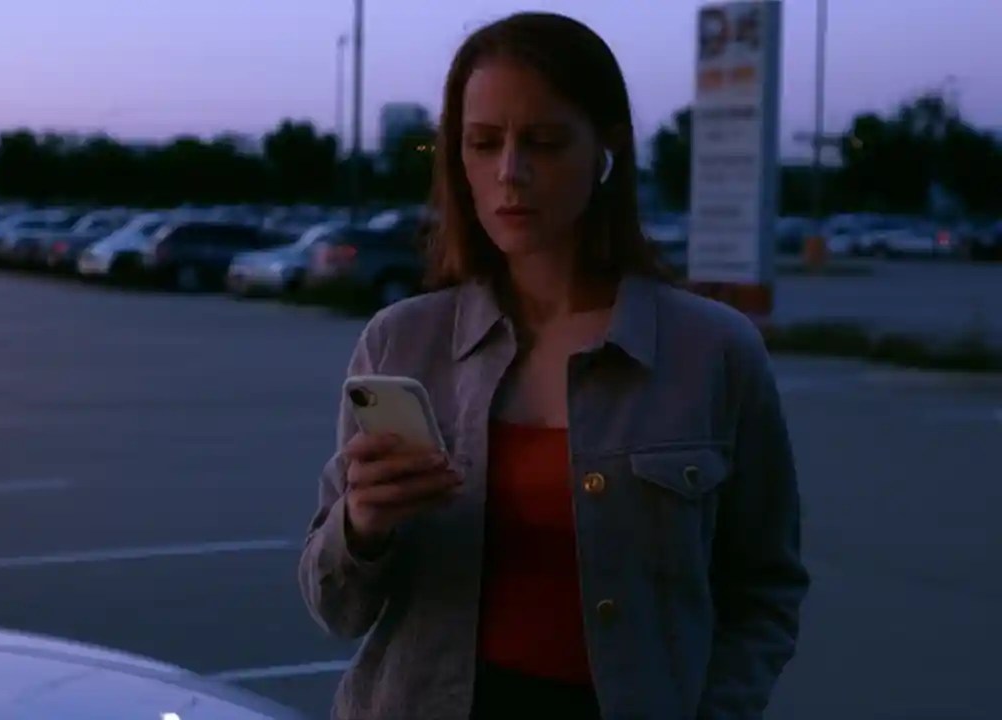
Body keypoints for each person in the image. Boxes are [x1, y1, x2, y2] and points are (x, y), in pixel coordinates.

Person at [298, 11, 809, 720]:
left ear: (608, 151)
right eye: (483, 143)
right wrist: (363, 525)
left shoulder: (713, 351)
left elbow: (763, 589)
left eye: (543, 141)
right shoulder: (401, 341)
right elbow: (335, 607)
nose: (511, 172)